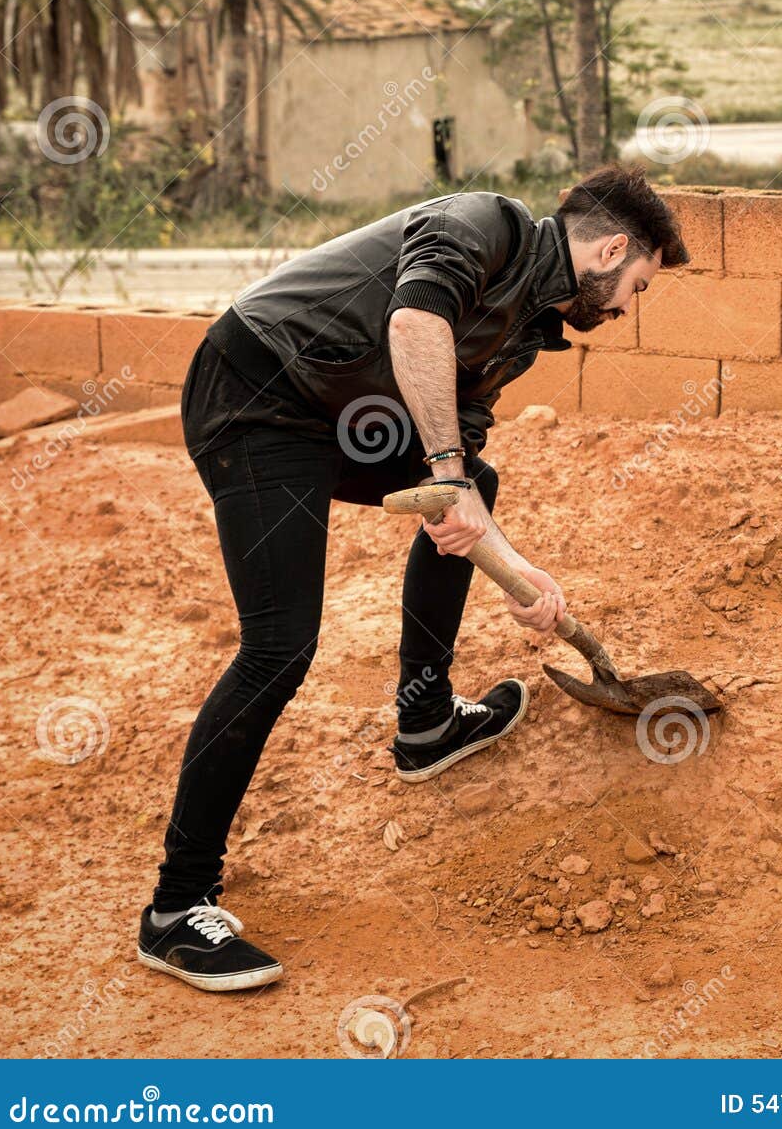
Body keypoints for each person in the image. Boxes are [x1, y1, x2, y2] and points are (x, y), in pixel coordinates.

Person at [137, 164, 688, 990]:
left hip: (335, 417)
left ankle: (425, 723)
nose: (622, 309)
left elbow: (457, 470)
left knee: (477, 486)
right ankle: (176, 910)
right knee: (280, 644)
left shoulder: (526, 331)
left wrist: (517, 568)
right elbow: (415, 323)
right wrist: (445, 470)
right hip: (256, 391)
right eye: (635, 287)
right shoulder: (483, 224)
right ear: (611, 249)